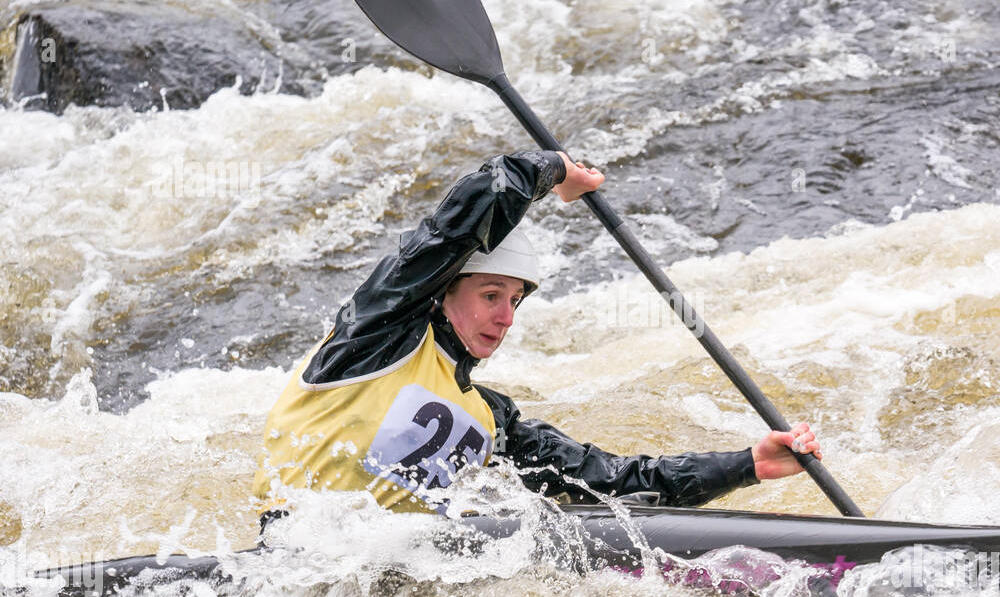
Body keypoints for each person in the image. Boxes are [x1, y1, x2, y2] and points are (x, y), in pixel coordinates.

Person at [253, 150, 823, 516]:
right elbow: (464, 213)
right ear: (446, 289)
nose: (505, 318)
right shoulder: (373, 338)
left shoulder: (488, 419)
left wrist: (748, 464)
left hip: (386, 579)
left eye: (516, 302)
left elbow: (609, 483)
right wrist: (556, 172)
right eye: (491, 295)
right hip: (293, 553)